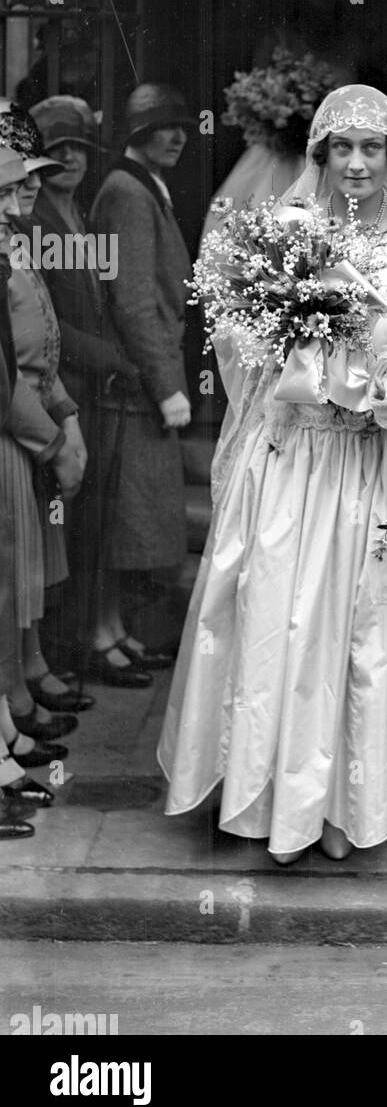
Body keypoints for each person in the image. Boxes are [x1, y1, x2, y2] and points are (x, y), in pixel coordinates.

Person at [158, 85, 387, 863]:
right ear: (319, 155)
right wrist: (300, 360)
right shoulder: (284, 230)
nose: (356, 164)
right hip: (289, 457)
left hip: (362, 464)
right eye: (341, 149)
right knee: (268, 617)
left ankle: (334, 810)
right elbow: (237, 343)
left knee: (349, 631)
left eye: (372, 149)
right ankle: (254, 799)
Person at [86, 84, 196, 686]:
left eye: (182, 125)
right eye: (164, 127)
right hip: (129, 386)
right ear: (137, 134)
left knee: (129, 523)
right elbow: (131, 302)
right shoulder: (127, 193)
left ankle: (114, 629)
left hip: (138, 382)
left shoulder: (142, 187)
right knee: (117, 521)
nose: (177, 136)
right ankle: (100, 635)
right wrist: (165, 385)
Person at [24, 97, 125, 701]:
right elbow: (50, 320)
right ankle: (52, 657)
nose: (69, 161)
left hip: (86, 393)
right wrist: (115, 359)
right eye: (56, 151)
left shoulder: (75, 211)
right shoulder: (35, 220)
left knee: (82, 531)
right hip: (60, 396)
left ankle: (71, 648)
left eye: (78, 151)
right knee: (56, 532)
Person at [0, 145, 84, 836]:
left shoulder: (14, 253)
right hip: (12, 433)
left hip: (21, 433)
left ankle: (7, 742)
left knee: (12, 590)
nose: (14, 204)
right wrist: (53, 438)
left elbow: (39, 352)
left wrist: (65, 423)